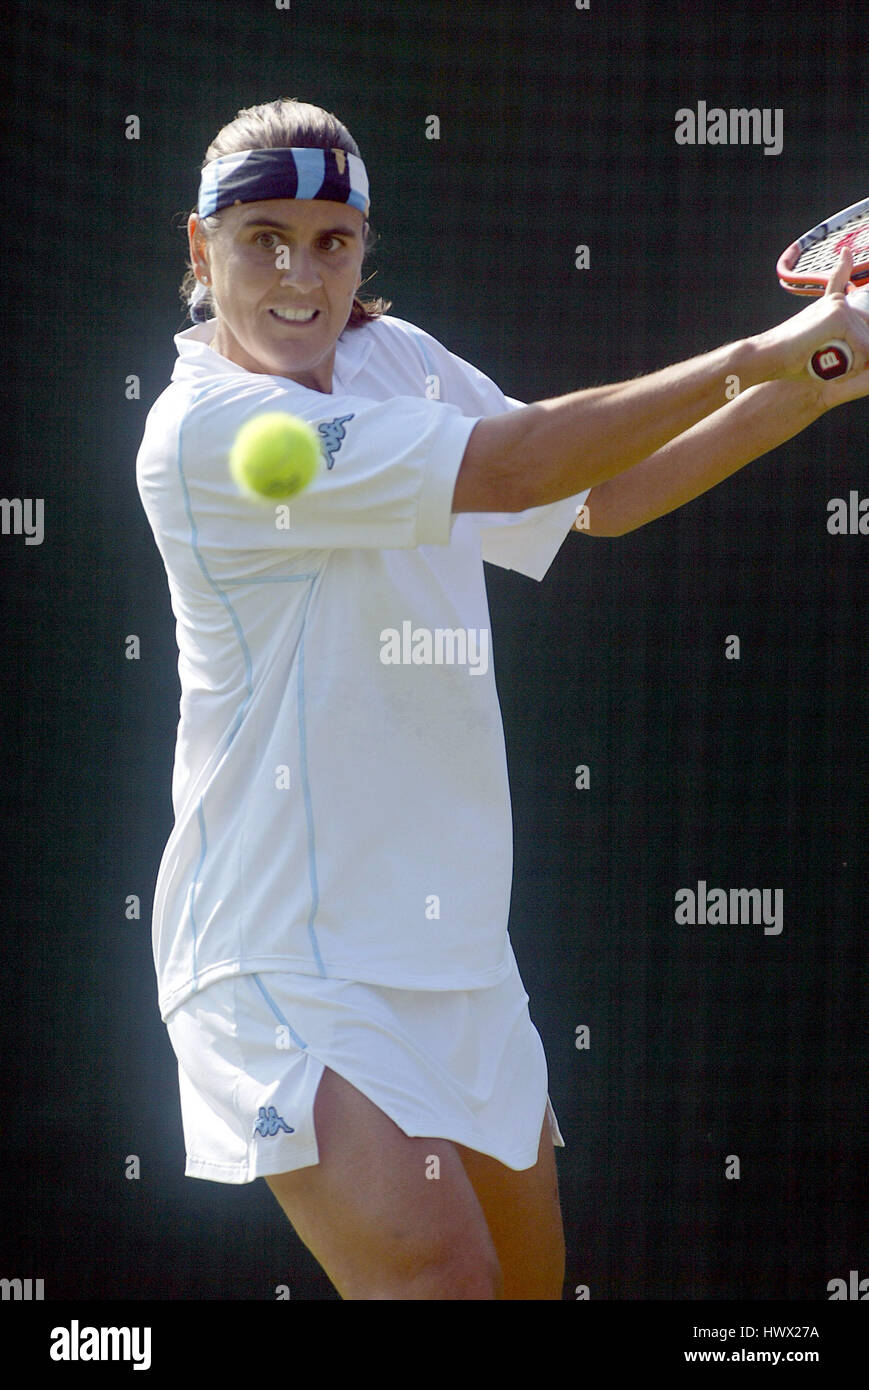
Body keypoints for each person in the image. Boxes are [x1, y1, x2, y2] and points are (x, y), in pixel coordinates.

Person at [136, 98, 869, 1301]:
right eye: (261, 235)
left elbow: (601, 495)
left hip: (456, 954)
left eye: (330, 240)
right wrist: (758, 353)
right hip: (278, 955)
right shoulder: (207, 434)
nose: (295, 272)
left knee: (523, 1291)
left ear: (364, 250)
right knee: (439, 1280)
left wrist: (821, 377)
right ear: (200, 245)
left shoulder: (398, 360)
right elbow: (515, 462)